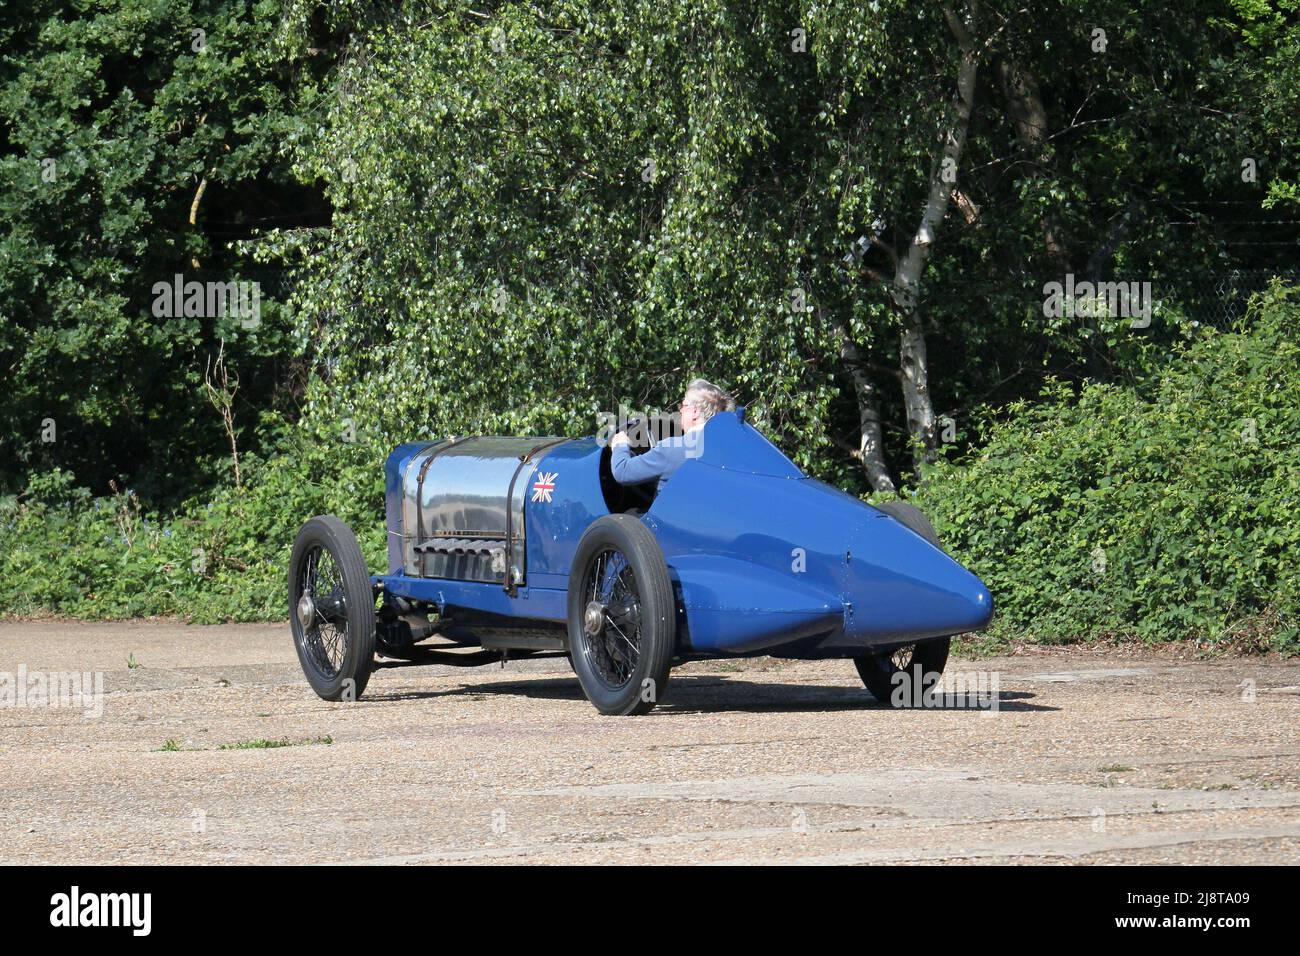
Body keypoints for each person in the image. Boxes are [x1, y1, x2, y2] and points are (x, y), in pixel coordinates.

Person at [611, 378, 733, 493]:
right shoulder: (728, 449)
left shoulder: (671, 449)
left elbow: (622, 472)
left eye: (684, 406)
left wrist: (620, 445)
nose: (680, 410)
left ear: (695, 412)